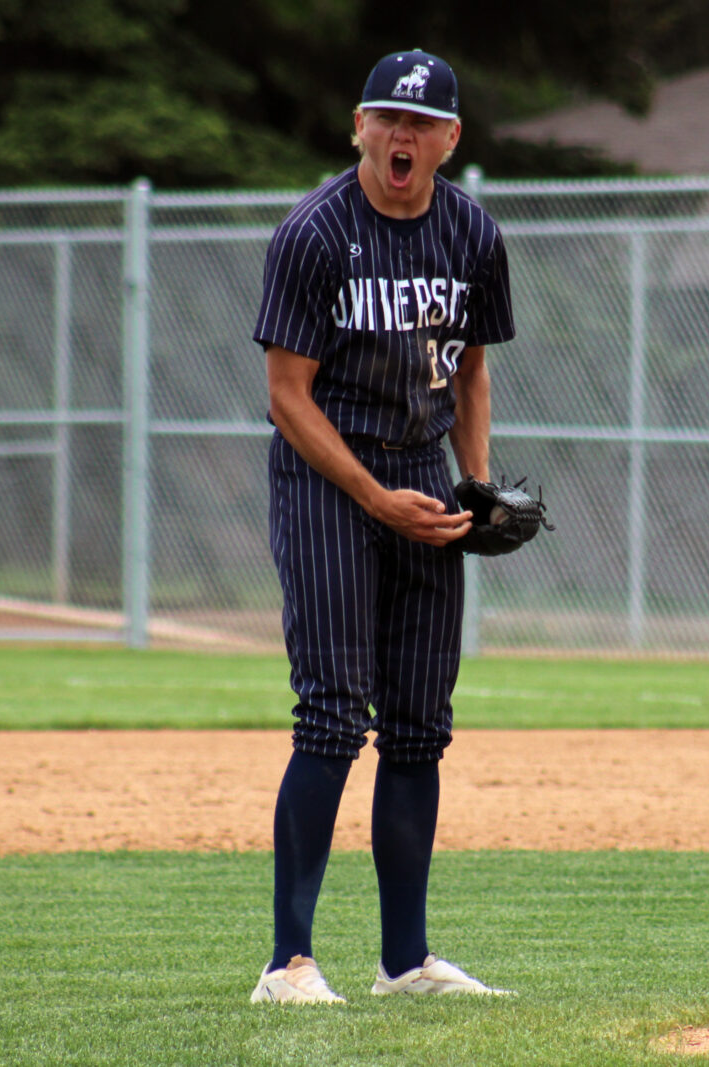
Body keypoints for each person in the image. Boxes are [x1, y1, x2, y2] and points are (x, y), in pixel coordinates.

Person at [249, 49, 516, 1004]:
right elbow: (287, 394)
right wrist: (373, 496)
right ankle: (287, 964)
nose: (402, 136)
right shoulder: (316, 234)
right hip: (330, 476)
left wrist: (473, 484)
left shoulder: (472, 233)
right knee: (332, 714)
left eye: (421, 123)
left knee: (419, 726)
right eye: (386, 118)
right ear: (358, 127)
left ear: (450, 138)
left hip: (422, 474)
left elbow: (471, 370)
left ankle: (405, 961)